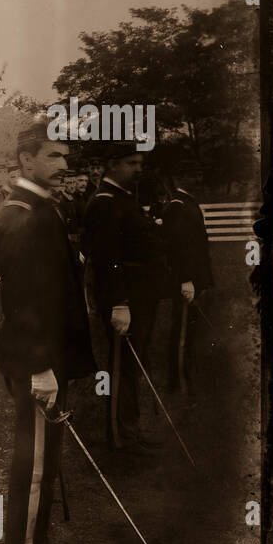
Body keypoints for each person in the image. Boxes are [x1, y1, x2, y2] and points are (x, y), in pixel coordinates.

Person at [0, 123, 95, 544]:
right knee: (34, 464)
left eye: (64, 157)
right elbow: (22, 303)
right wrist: (40, 368)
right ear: (25, 159)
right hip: (38, 363)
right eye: (53, 156)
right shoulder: (21, 215)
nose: (64, 166)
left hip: (50, 358)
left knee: (47, 461)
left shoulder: (41, 210)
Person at [82, 139, 163, 454]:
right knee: (120, 366)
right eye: (133, 163)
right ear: (112, 164)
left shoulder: (123, 198)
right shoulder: (104, 202)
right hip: (123, 297)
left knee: (132, 365)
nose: (139, 169)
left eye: (141, 164)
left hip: (138, 294)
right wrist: (119, 302)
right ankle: (119, 437)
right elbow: (106, 257)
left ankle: (131, 430)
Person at [154, 165, 214, 392]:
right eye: (193, 173)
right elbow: (178, 248)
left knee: (190, 330)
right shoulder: (177, 205)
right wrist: (186, 280)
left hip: (196, 277)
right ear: (180, 177)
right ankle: (178, 382)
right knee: (181, 331)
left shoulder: (188, 201)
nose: (198, 176)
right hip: (186, 279)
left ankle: (188, 375)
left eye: (198, 173)